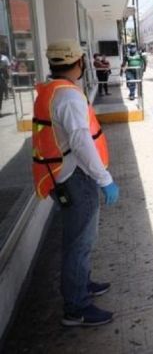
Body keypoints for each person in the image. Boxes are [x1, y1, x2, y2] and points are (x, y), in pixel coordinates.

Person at [31, 39, 120, 327]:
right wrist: (104, 179)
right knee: (79, 243)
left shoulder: (50, 91)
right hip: (75, 177)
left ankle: (82, 284)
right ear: (79, 63)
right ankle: (76, 308)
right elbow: (82, 143)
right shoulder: (68, 97)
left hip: (62, 174)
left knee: (79, 240)